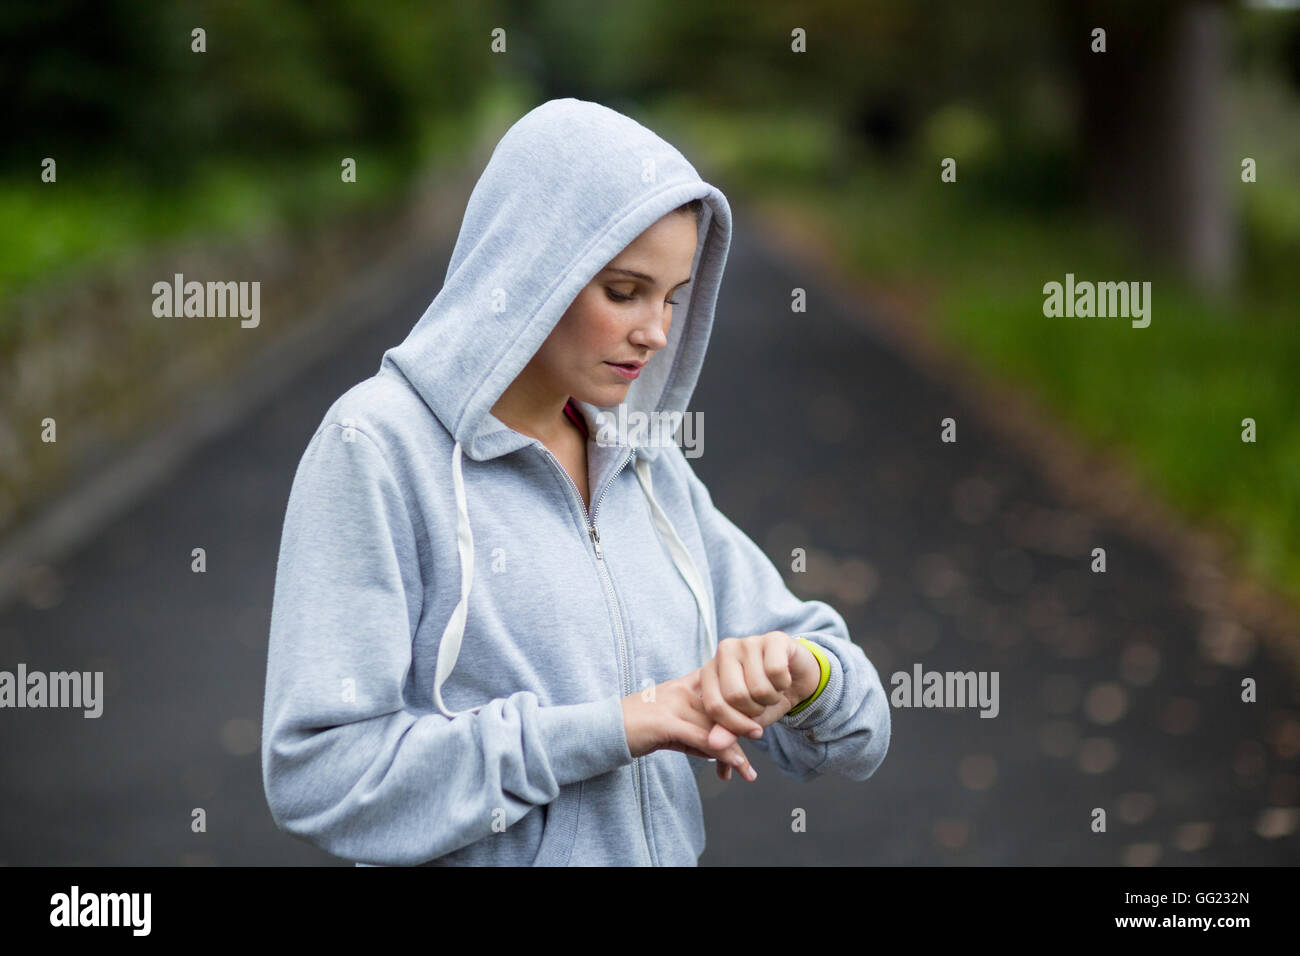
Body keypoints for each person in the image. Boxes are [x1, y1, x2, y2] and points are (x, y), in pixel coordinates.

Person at [260, 97, 891, 867]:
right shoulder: (376, 447)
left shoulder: (646, 466)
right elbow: (320, 775)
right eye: (624, 292)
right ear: (532, 266)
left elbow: (857, 735)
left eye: (673, 297)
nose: (655, 331)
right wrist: (618, 726)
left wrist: (803, 673)